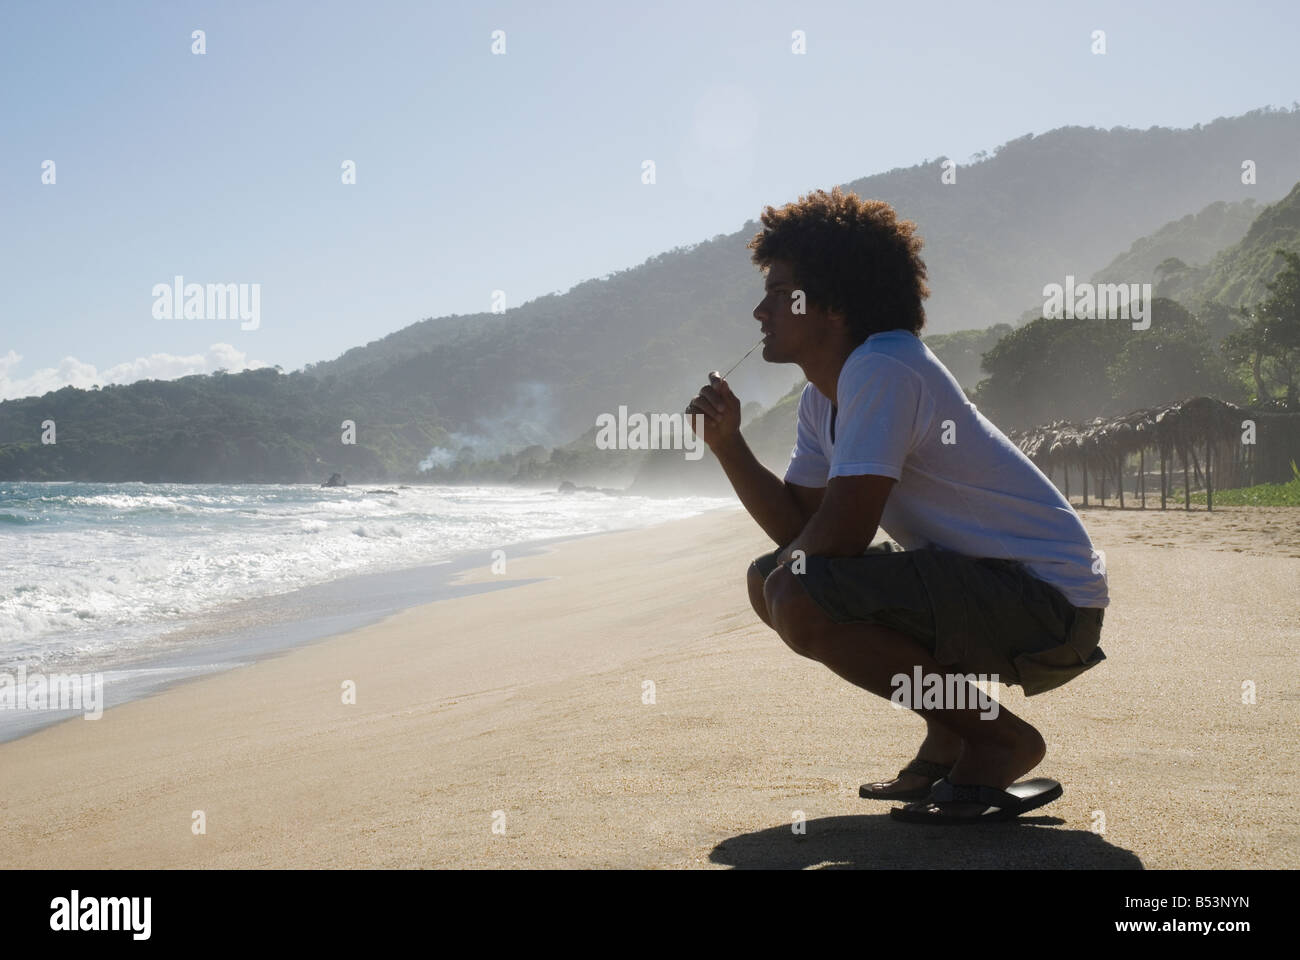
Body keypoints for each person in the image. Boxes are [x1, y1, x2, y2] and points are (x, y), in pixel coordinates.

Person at [685, 186, 1108, 824]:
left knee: (794, 591)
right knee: (771, 578)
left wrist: (785, 581)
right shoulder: (822, 397)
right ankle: (954, 728)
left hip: (1047, 605)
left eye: (778, 292)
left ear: (830, 302)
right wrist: (729, 447)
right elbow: (803, 529)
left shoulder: (882, 368)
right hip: (987, 589)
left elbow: (844, 536)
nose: (759, 310)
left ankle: (1001, 740)